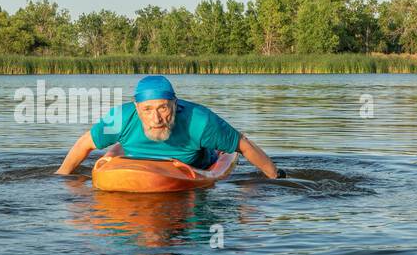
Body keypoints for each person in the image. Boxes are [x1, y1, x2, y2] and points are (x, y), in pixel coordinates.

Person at [55, 75, 279, 178]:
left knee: (223, 144)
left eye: (163, 108)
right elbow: (85, 143)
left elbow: (243, 144)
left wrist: (275, 177)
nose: (156, 118)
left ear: (175, 102)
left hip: (196, 164)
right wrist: (62, 176)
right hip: (137, 163)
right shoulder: (120, 118)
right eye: (147, 110)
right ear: (136, 107)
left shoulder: (200, 121)